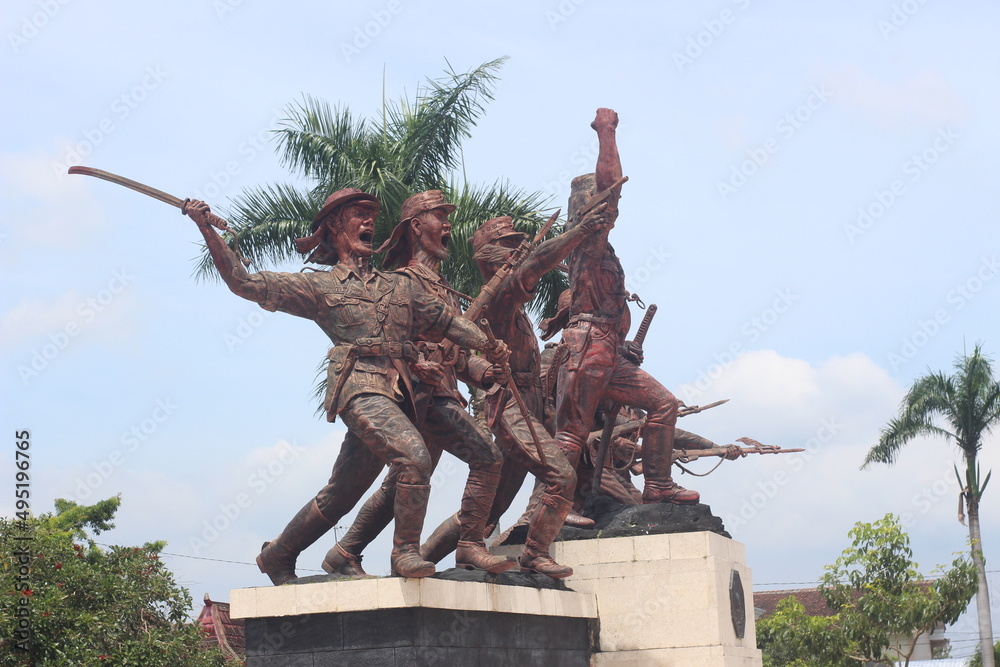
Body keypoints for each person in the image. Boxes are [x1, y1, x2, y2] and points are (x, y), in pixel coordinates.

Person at [184, 188, 510, 584]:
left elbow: (446, 321)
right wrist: (207, 229)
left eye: (372, 215)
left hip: (406, 391)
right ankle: (405, 552)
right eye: (359, 214)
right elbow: (244, 283)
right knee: (414, 458)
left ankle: (280, 554)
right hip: (360, 388)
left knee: (477, 458)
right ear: (335, 227)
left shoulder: (400, 286)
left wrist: (487, 344)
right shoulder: (319, 287)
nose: (369, 222)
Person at [320, 190, 516, 577]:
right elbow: (394, 341)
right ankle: (425, 550)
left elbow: (455, 350)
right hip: (410, 394)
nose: (447, 226)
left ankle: (349, 550)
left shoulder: (442, 287)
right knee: (444, 464)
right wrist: (420, 362)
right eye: (438, 217)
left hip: (439, 393)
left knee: (408, 480)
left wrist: (483, 371)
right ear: (415, 226)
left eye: (448, 218)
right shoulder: (402, 282)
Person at [418, 206, 611, 577]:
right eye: (511, 248)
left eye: (520, 246)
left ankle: (429, 556)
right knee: (561, 475)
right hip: (510, 406)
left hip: (530, 404)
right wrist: (580, 231)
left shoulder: (518, 310)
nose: (519, 254)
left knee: (486, 512)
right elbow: (534, 265)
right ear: (492, 261)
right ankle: (535, 553)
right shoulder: (501, 295)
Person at [554, 108, 701, 506]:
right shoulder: (585, 241)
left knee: (663, 404)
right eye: (601, 205)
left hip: (606, 351)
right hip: (586, 349)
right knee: (572, 433)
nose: (610, 212)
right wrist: (607, 132)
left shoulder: (602, 248)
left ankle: (657, 485)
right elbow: (610, 189)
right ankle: (555, 509)